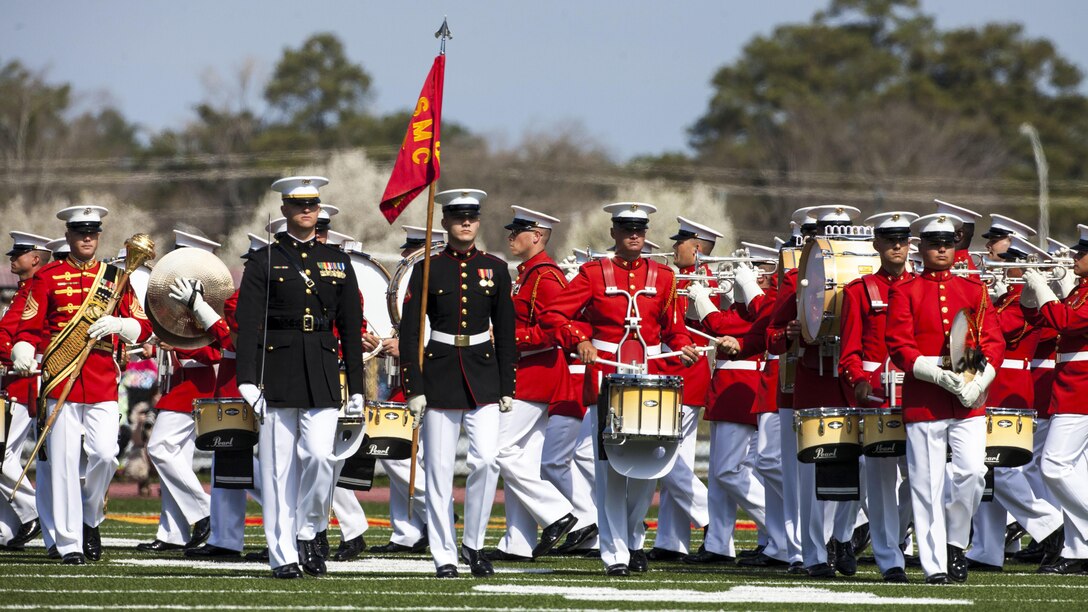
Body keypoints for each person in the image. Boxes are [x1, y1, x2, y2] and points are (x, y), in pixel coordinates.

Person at [540, 202, 698, 576]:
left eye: (640, 229)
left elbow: (672, 328)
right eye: (627, 228)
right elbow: (554, 314)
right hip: (607, 377)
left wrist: (685, 345)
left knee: (649, 466)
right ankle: (614, 553)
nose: (634, 235)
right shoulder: (592, 274)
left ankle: (632, 538)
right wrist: (579, 339)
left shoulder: (664, 276)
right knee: (609, 468)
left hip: (653, 376)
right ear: (613, 233)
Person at [235, 176, 365, 579]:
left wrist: (357, 387)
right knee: (277, 470)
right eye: (298, 204)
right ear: (285, 210)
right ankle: (283, 554)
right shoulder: (264, 260)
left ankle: (310, 529)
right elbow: (249, 323)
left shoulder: (338, 261)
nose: (307, 210)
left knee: (321, 457)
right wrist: (247, 380)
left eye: (313, 204)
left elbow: (351, 326)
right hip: (276, 369)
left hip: (323, 367)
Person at [11, 206, 153, 564]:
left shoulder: (114, 278)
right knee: (61, 463)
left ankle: (90, 516)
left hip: (101, 378)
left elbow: (142, 325)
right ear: (70, 236)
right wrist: (23, 349)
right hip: (60, 380)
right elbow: (28, 327)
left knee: (105, 454)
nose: (87, 238)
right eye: (80, 233)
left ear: (99, 236)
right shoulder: (47, 277)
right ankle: (70, 542)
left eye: (93, 233)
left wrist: (120, 327)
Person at [399, 188, 516, 579]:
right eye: (458, 216)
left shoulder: (495, 268)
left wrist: (506, 384)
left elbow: (506, 329)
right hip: (440, 374)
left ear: (478, 222)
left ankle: (475, 544)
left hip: (482, 374)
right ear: (445, 222)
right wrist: (413, 387)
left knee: (486, 461)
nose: (466, 222)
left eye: (473, 216)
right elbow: (412, 331)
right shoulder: (427, 268)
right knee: (438, 470)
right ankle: (444, 554)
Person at [886, 212, 1005, 584]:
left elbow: (993, 343)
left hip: (968, 401)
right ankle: (935, 564)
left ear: (956, 247)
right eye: (935, 243)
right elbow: (899, 346)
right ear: (921, 247)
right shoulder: (904, 291)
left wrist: (979, 381)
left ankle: (956, 541)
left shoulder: (973, 291)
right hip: (925, 401)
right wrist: (937, 373)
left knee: (972, 472)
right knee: (926, 484)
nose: (942, 249)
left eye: (948, 243)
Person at [485, 206, 577, 562]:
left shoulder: (546, 277)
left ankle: (558, 512)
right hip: (529, 371)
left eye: (518, 231)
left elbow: (555, 328)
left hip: (535, 374)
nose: (511, 237)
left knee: (498, 451)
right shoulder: (529, 275)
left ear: (536, 236)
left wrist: (508, 337)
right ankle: (518, 543)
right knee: (519, 457)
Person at [683, 238, 775, 565]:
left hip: (743, 385)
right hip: (726, 387)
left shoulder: (767, 302)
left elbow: (729, 327)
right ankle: (719, 542)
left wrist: (706, 303)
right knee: (720, 479)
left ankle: (780, 530)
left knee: (728, 473)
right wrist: (705, 300)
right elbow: (702, 326)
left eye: (755, 272)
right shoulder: (740, 303)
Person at [837, 212, 918, 583]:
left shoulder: (922, 287)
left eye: (902, 239)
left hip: (919, 390)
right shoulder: (859, 290)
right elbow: (849, 351)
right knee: (882, 481)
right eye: (889, 239)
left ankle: (897, 539)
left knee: (923, 478)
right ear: (877, 245)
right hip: (877, 394)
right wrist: (860, 379)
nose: (897, 245)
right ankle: (890, 559)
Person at [135, 230, 221, 553]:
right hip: (179, 383)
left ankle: (204, 511)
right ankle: (173, 532)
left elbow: (215, 349)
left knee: (160, 449)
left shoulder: (212, 300)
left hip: (194, 384)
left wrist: (180, 347)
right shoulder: (176, 298)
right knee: (177, 458)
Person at [185, 233, 266, 562]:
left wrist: (205, 313)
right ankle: (226, 538)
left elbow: (236, 340)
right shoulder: (239, 299)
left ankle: (288, 531)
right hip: (238, 387)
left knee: (265, 469)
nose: (249, 271)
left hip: (266, 385)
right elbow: (235, 342)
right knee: (226, 465)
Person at [366, 225, 442, 555]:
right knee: (397, 453)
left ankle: (437, 511)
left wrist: (410, 348)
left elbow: (444, 334)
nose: (403, 257)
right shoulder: (409, 285)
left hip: (435, 378)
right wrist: (382, 344)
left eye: (412, 251)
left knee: (402, 456)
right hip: (404, 379)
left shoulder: (442, 279)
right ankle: (407, 532)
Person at [648, 217, 718, 561]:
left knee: (662, 457)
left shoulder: (703, 282)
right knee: (678, 459)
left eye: (682, 242)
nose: (674, 246)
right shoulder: (681, 279)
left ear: (698, 248)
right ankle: (671, 540)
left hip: (683, 375)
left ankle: (711, 520)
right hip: (674, 374)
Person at [1020, 223, 1088, 574]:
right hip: (1071, 385)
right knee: (1076, 469)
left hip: (1082, 389)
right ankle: (1078, 552)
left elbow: (1067, 322)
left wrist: (1046, 292)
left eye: (1082, 253)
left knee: (1054, 466)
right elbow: (1046, 321)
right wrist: (1033, 298)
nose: (1075, 257)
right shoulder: (1082, 290)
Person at [0, 232, 50, 550]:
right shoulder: (23, 291)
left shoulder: (36, 291)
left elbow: (27, 339)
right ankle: (8, 529)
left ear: (35, 258)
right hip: (12, 380)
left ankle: (32, 514)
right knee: (6, 455)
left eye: (18, 254)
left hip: (25, 382)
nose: (12, 259)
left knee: (2, 455)